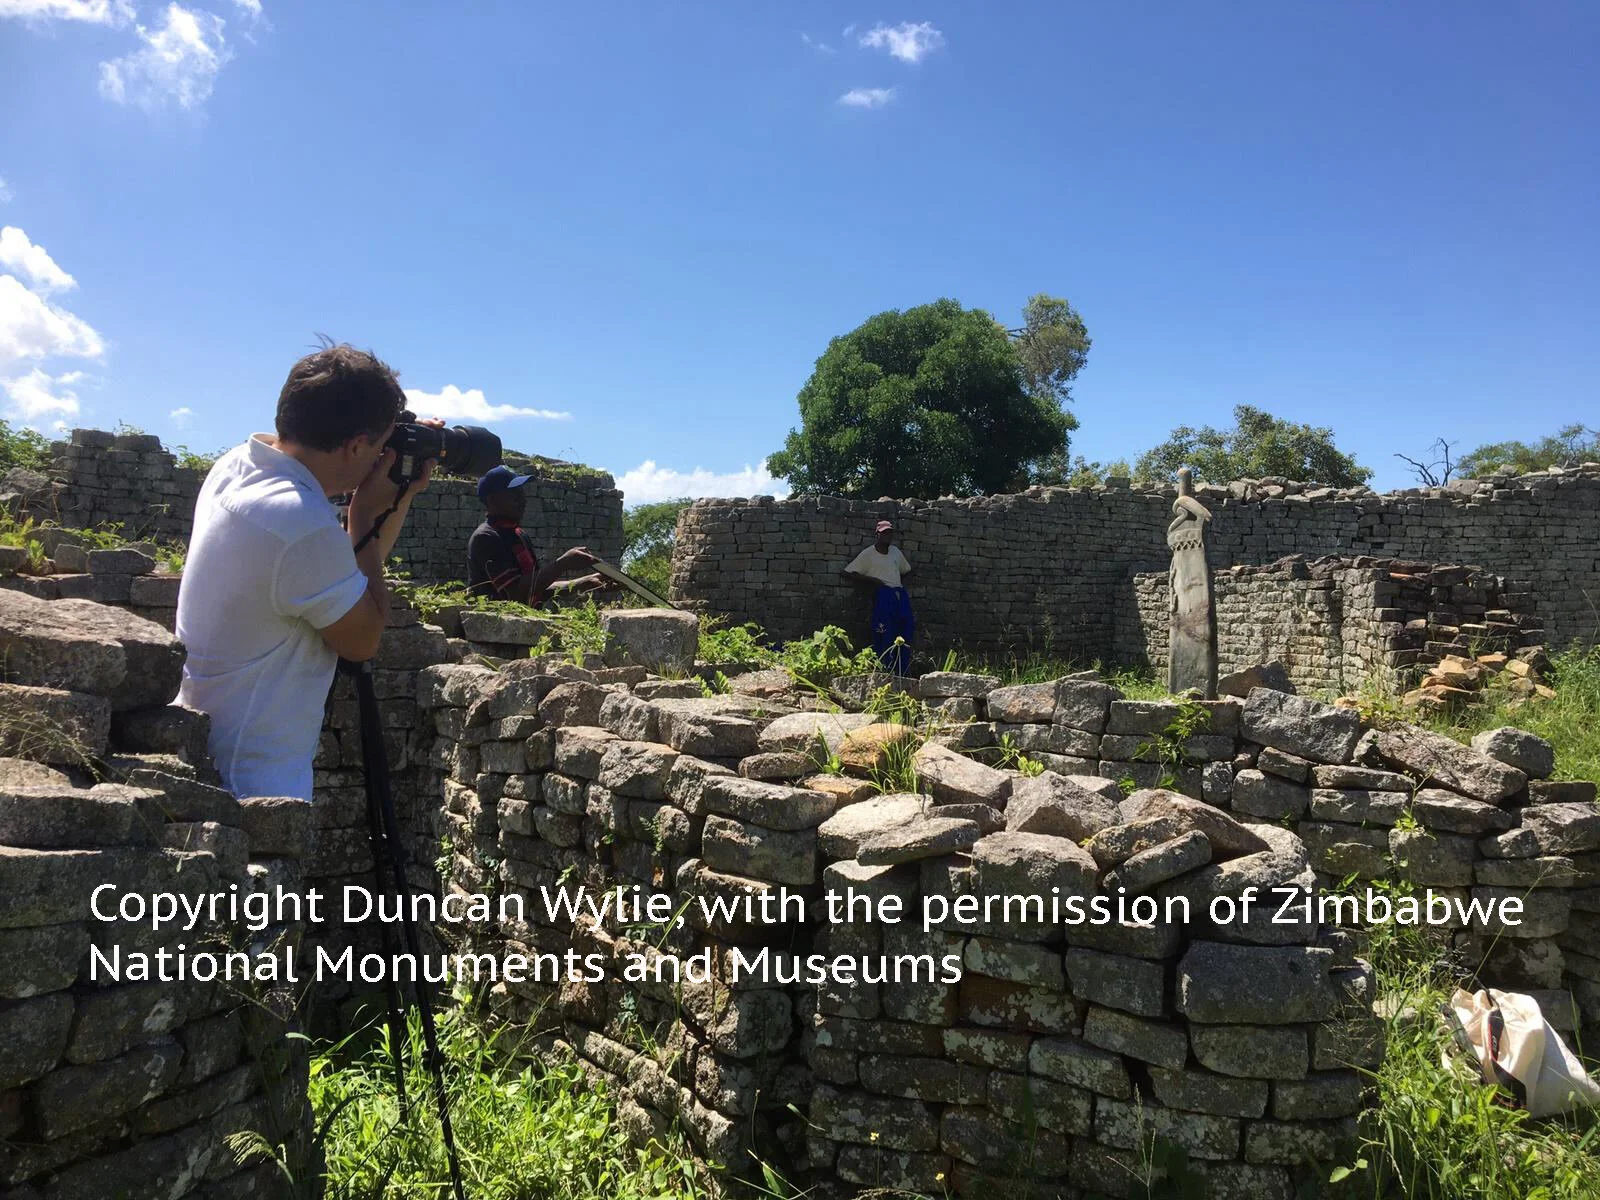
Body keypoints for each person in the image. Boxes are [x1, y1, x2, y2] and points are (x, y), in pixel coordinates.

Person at [176, 342, 437, 802]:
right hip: (252, 787)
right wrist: (362, 514)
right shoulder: (298, 523)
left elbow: (340, 574)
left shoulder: (238, 468)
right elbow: (363, 639)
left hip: (203, 752)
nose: (381, 457)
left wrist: (399, 496)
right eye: (378, 447)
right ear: (355, 445)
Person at [466, 465, 608, 604]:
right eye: (514, 493)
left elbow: (537, 589)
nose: (522, 499)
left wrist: (586, 582)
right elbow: (515, 594)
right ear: (492, 500)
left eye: (521, 492)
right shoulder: (486, 538)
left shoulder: (519, 536)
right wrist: (561, 564)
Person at [842, 519, 915, 674]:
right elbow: (848, 573)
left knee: (904, 630)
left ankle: (902, 670)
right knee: (884, 632)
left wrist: (898, 583)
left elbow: (906, 570)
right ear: (877, 535)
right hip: (883, 596)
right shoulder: (869, 554)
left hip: (898, 595)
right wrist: (873, 581)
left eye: (890, 533)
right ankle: (884, 668)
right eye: (884, 533)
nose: (887, 536)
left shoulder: (895, 552)